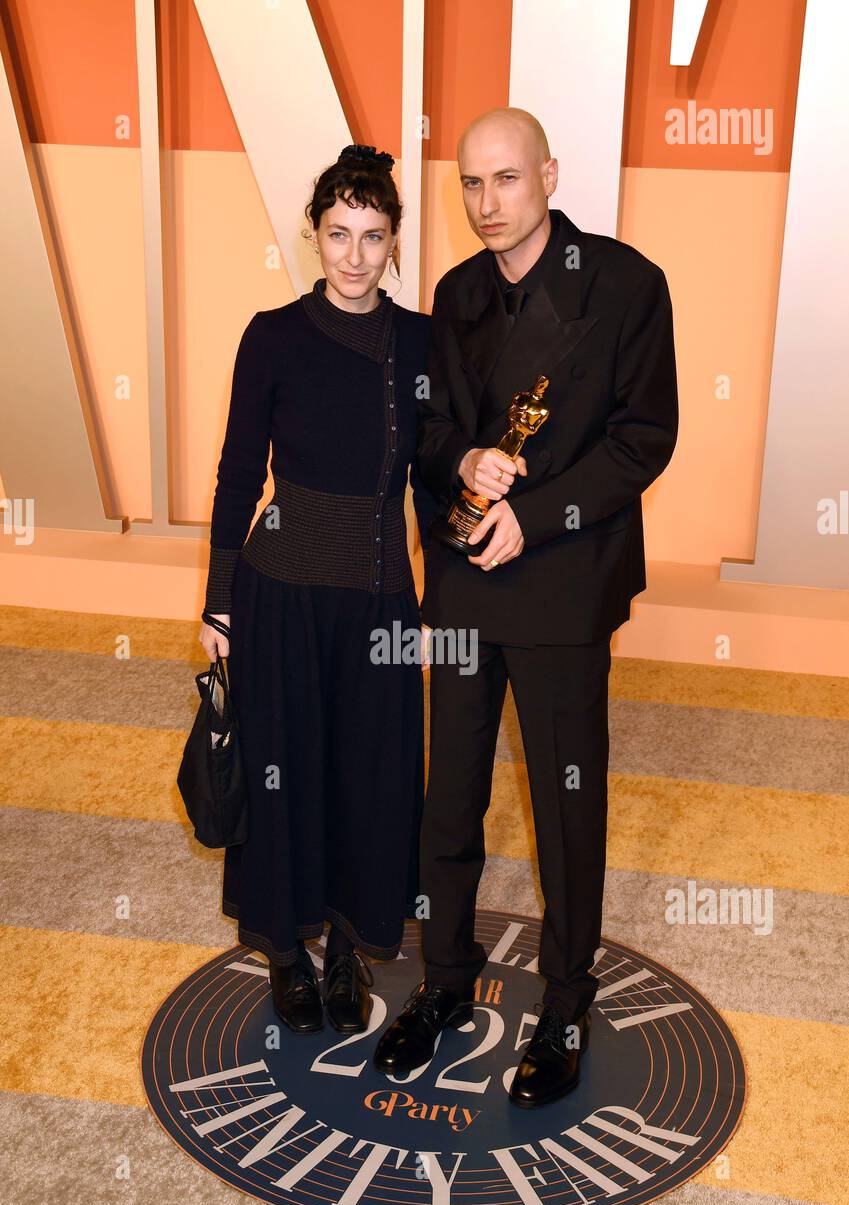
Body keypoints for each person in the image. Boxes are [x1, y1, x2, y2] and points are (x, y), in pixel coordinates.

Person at [374, 108, 679, 1105]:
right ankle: (446, 982)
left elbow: (644, 439)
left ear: (548, 173)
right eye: (469, 184)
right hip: (466, 579)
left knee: (566, 804)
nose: (486, 204)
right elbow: (426, 434)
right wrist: (461, 456)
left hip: (560, 581)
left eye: (505, 180)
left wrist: (536, 517)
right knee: (448, 793)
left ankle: (566, 1004)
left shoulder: (628, 285)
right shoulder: (454, 295)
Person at [199, 144, 438, 1035]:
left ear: (394, 241)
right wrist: (219, 602)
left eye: (372, 236)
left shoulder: (419, 340)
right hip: (281, 597)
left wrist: (432, 606)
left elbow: (432, 481)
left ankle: (346, 947)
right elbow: (235, 474)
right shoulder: (272, 335)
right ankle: (288, 956)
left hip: (377, 600)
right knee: (284, 773)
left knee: (369, 776)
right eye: (338, 233)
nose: (353, 255)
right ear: (314, 233)